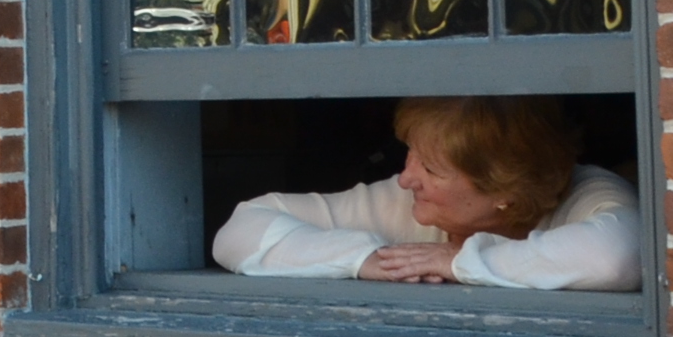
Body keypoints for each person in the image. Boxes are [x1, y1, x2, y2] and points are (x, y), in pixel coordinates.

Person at [212, 95, 640, 290]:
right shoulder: (404, 203)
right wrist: (362, 258)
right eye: (410, 154)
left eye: (431, 168)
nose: (405, 179)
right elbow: (241, 230)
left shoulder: (589, 194)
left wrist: (460, 262)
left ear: (505, 190)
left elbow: (616, 257)